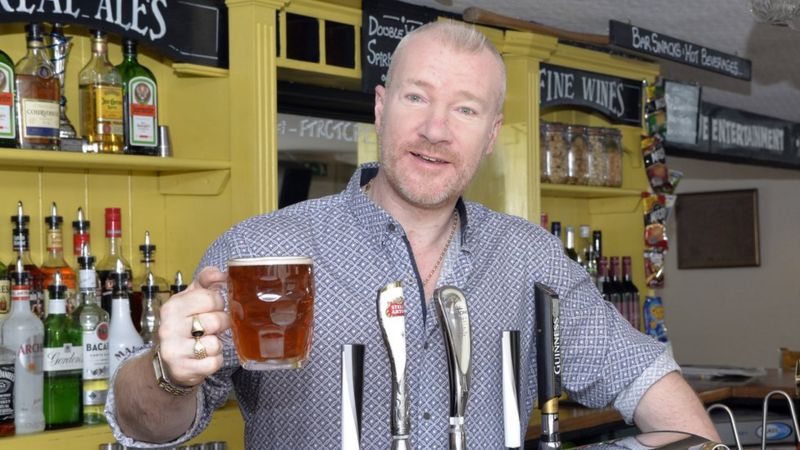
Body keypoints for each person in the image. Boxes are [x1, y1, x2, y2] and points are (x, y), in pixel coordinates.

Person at [106, 20, 719, 448]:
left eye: (465, 109)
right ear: (380, 106)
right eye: (416, 97)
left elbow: (643, 374)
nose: (435, 129)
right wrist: (166, 371)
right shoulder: (260, 251)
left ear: (491, 133)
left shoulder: (529, 257)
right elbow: (142, 425)